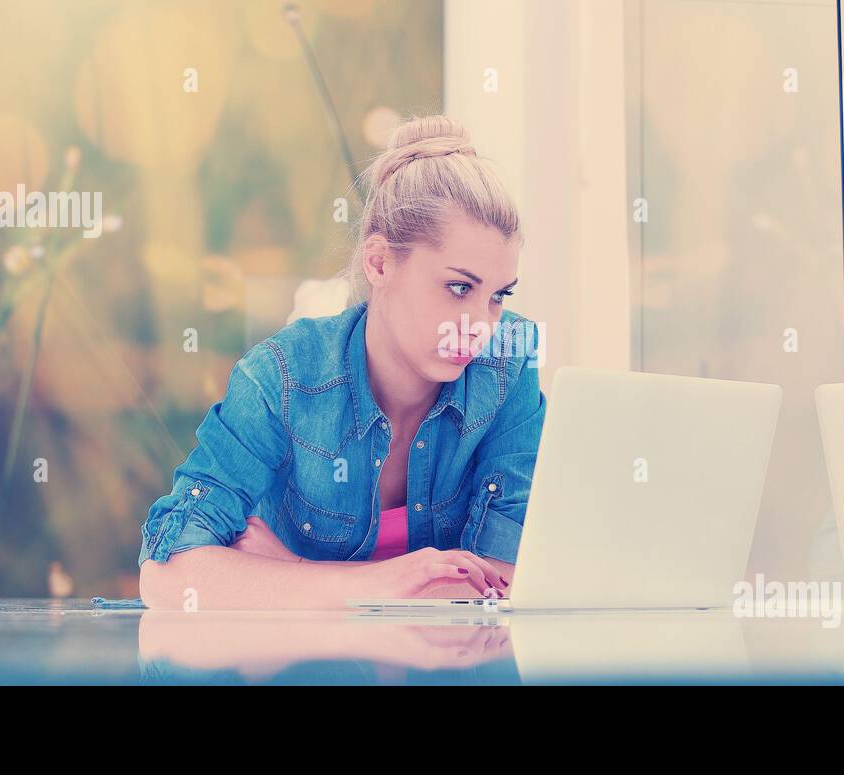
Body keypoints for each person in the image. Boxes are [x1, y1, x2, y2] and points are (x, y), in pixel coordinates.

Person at [138, 115, 544, 609]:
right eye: (458, 287)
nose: (480, 325)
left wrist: (295, 571)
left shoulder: (508, 360)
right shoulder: (283, 378)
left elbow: (511, 580)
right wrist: (382, 583)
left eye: (498, 295)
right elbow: (168, 574)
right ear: (378, 263)